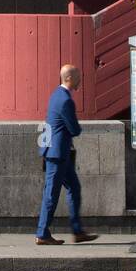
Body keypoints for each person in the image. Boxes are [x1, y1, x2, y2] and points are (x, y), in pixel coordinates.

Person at [34, 65, 98, 245]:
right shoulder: (66, 100)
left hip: (56, 151)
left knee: (74, 189)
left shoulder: (56, 95)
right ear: (69, 78)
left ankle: (77, 231)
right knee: (51, 194)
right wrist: (75, 129)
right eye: (78, 77)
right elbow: (74, 129)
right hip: (58, 154)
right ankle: (42, 233)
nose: (80, 80)